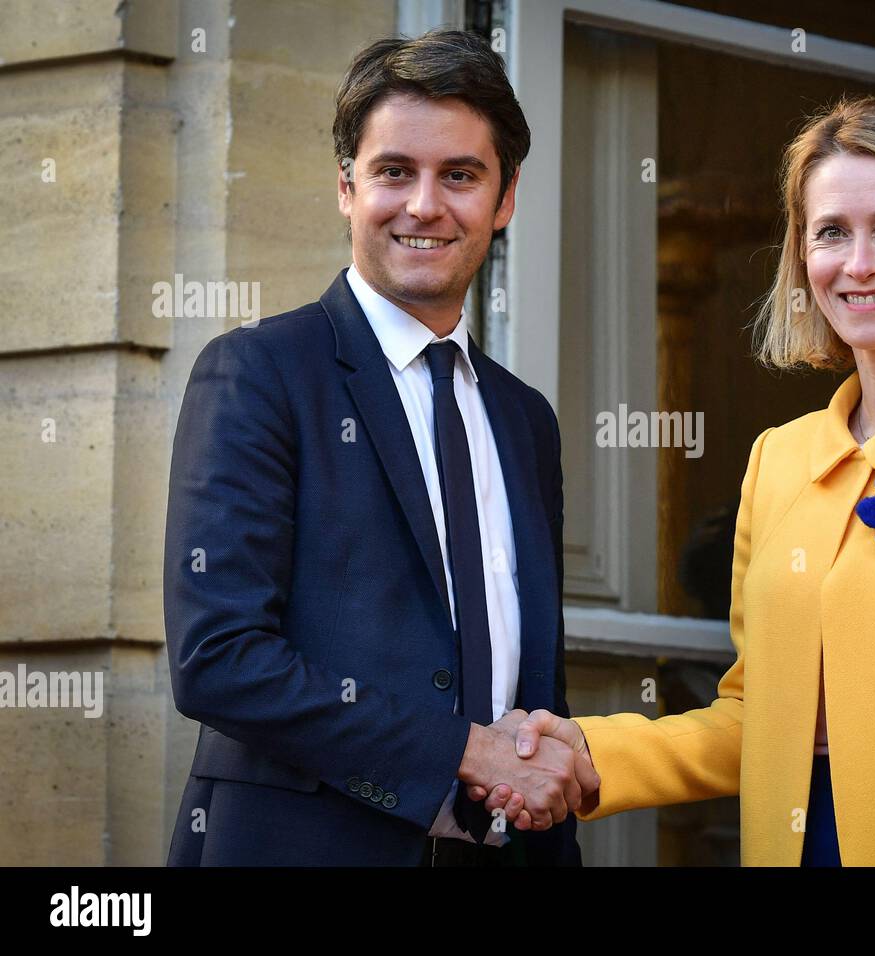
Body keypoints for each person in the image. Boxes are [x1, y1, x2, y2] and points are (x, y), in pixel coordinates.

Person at [474, 95, 875, 866]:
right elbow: (755, 718)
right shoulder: (777, 458)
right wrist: (589, 751)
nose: (860, 263)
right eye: (831, 233)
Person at [164, 29, 597, 867]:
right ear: (347, 187)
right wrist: (463, 753)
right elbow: (219, 658)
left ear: (506, 198)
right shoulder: (258, 372)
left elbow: (535, 682)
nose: (424, 206)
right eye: (394, 171)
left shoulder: (526, 421)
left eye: (460, 176)